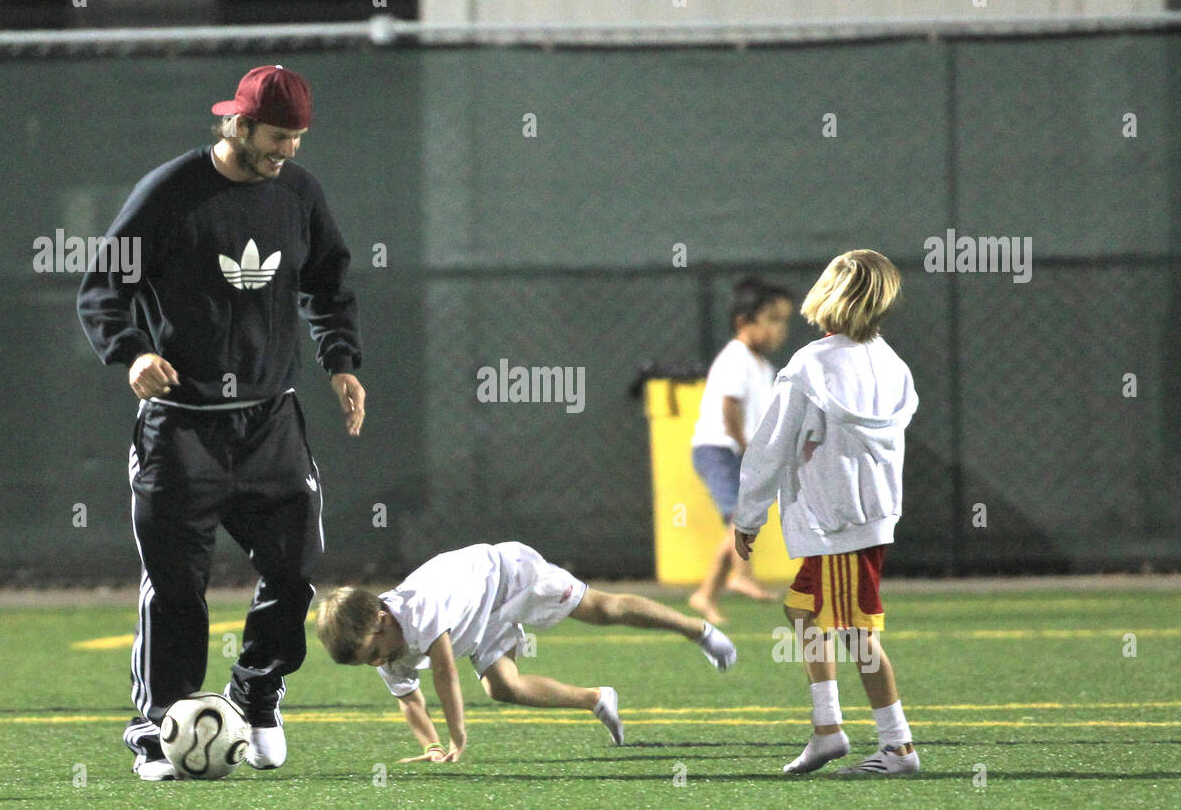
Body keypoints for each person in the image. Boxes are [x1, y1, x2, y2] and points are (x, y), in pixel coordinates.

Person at [77, 65, 365, 781]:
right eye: (276, 137)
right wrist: (133, 353)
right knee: (177, 589)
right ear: (236, 124)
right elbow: (101, 288)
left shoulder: (298, 193)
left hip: (271, 422)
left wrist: (342, 362)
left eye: (297, 138)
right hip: (181, 428)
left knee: (295, 573)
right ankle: (157, 732)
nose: (287, 151)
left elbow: (330, 282)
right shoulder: (170, 194)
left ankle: (256, 693)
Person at [732, 250, 920, 775]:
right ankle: (828, 730)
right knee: (803, 612)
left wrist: (748, 515)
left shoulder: (810, 366)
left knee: (859, 638)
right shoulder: (892, 363)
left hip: (835, 523)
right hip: (872, 516)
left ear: (828, 292)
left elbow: (770, 447)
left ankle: (898, 747)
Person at [315, 542, 737, 760]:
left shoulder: (417, 610)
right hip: (478, 621)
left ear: (382, 619)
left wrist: (457, 736)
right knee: (503, 687)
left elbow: (445, 673)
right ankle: (596, 698)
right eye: (365, 662)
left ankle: (696, 629)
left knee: (602, 609)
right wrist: (431, 746)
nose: (376, 663)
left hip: (508, 576)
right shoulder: (383, 649)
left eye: (374, 652)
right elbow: (410, 700)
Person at [689, 278, 793, 624]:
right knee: (739, 515)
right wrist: (748, 446)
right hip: (718, 448)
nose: (781, 329)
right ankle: (741, 576)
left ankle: (705, 595)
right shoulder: (735, 357)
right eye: (773, 320)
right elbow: (729, 407)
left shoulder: (763, 367)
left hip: (736, 450)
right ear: (743, 323)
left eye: (784, 321)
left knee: (738, 522)